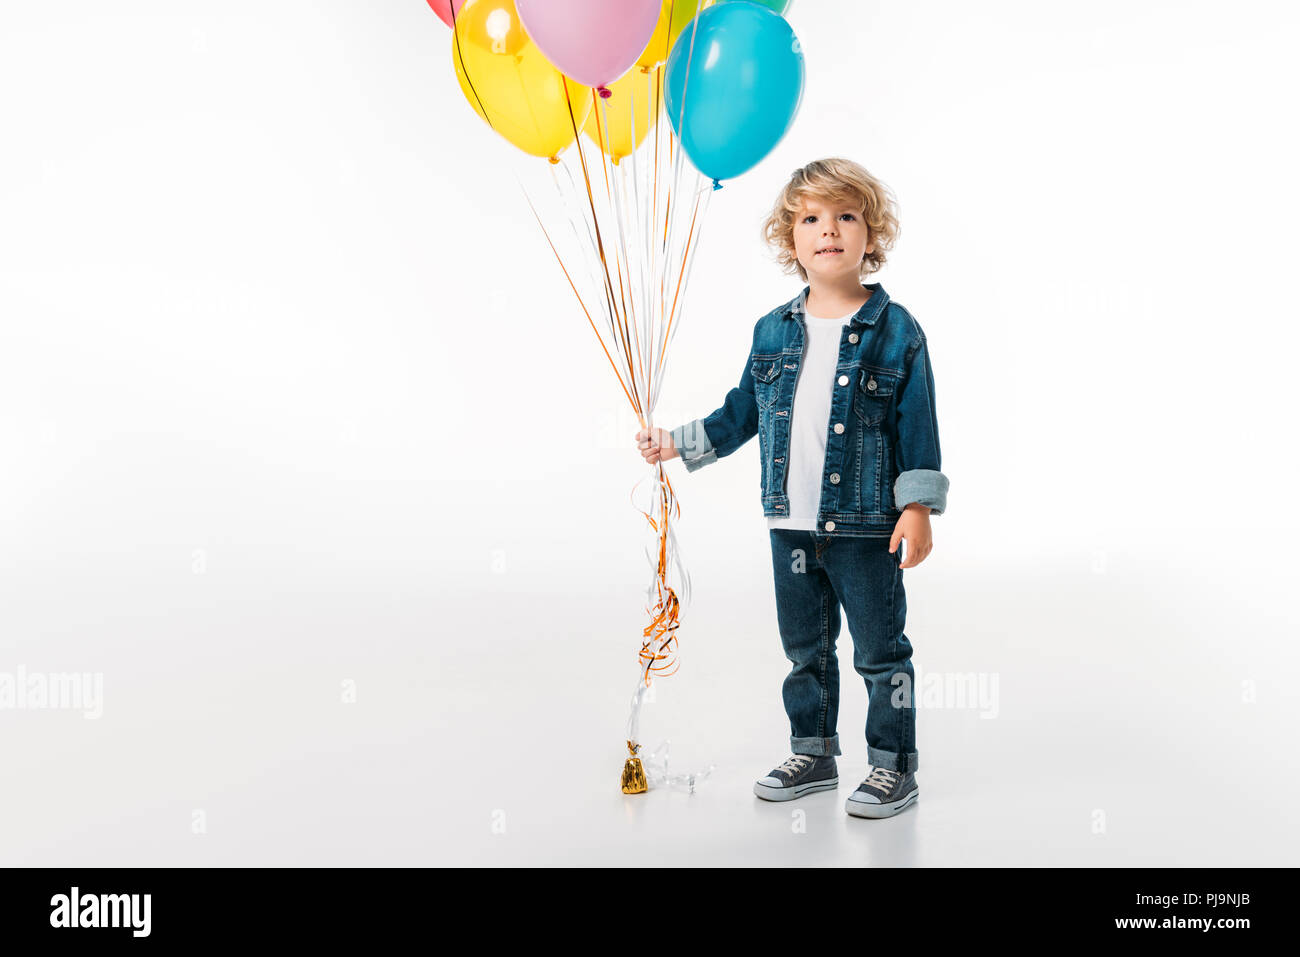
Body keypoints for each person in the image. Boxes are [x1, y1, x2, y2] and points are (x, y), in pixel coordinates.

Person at [634, 158, 948, 819]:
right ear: (790, 238)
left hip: (867, 526)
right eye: (810, 218)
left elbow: (916, 424)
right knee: (806, 649)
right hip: (791, 527)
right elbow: (740, 413)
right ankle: (814, 751)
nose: (827, 230)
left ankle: (894, 766)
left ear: (871, 234)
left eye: (845, 216)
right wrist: (677, 442)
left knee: (880, 650)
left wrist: (916, 506)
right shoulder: (772, 331)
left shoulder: (897, 331)